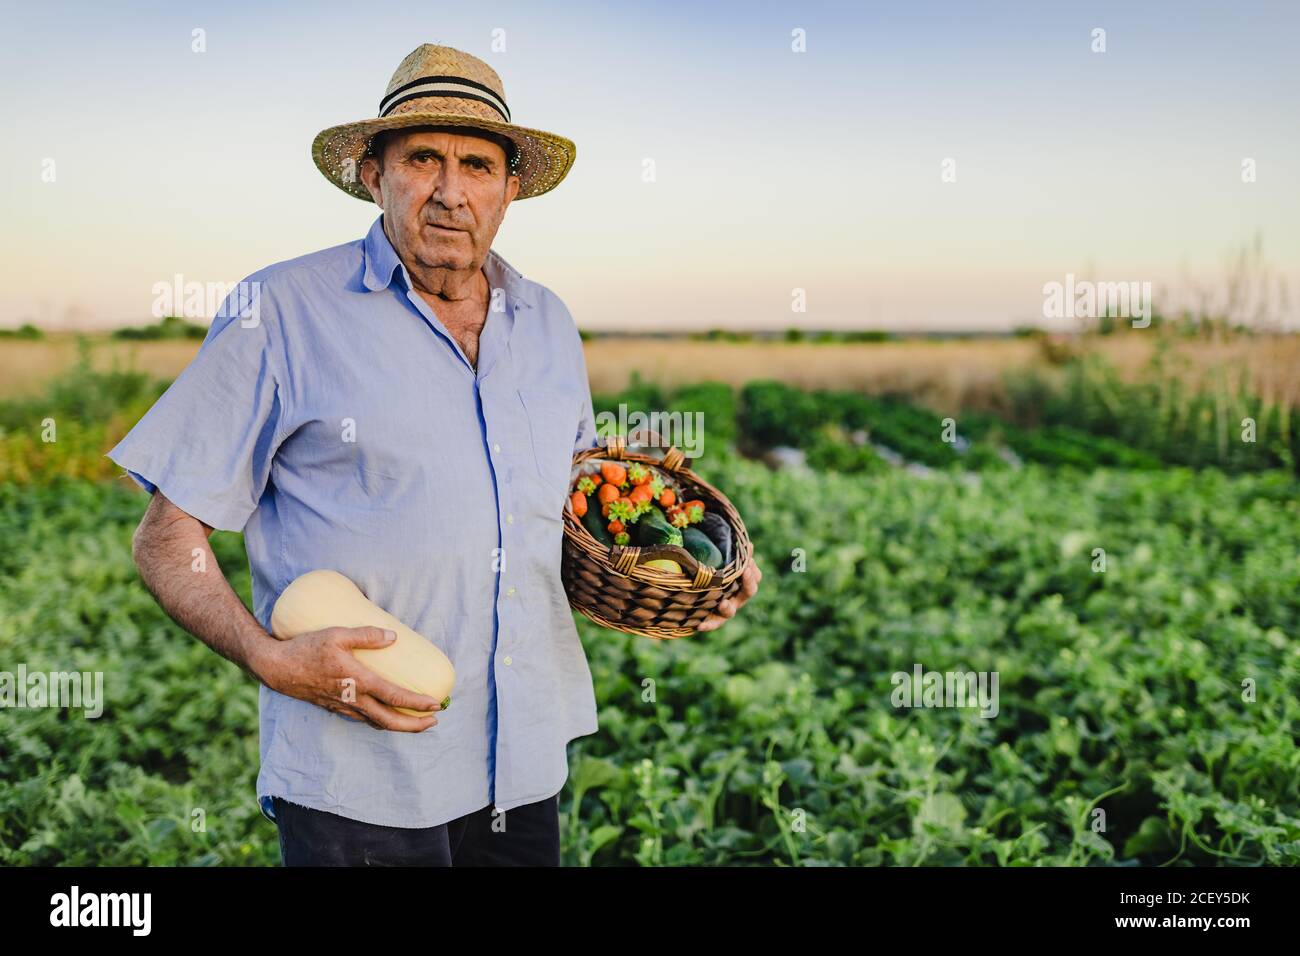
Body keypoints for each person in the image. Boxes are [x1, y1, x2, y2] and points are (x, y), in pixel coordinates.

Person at [109, 43, 760, 867]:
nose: (451, 192)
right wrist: (270, 659)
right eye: (423, 159)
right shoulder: (279, 310)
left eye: (477, 165)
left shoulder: (548, 323)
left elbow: (565, 498)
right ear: (374, 174)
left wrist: (685, 567)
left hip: (521, 764)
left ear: (510, 188)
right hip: (363, 773)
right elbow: (167, 537)